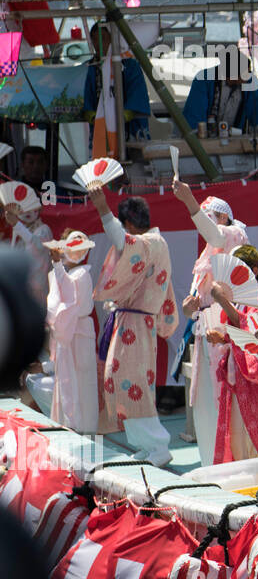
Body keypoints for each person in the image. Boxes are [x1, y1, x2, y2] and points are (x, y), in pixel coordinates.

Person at [87, 186, 180, 466]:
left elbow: (122, 241)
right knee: (124, 380)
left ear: (128, 224)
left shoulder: (152, 243)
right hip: (132, 321)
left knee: (133, 383)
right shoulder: (155, 243)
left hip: (136, 324)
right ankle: (145, 443)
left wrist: (103, 208)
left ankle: (157, 445)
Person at [173, 177, 248, 462]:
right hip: (204, 328)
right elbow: (196, 304)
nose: (203, 223)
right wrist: (189, 309)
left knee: (224, 397)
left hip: (226, 326)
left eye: (210, 217)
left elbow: (215, 235)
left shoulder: (234, 236)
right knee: (205, 399)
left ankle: (228, 461)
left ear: (224, 217)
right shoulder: (207, 252)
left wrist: (190, 202)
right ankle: (210, 458)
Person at [208, 245, 258, 462]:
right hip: (239, 372)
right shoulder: (242, 299)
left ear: (255, 270)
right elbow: (236, 331)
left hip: (257, 372)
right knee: (237, 431)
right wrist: (221, 337)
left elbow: (251, 330)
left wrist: (223, 301)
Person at [44, 230, 97, 434]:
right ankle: (70, 423)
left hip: (77, 329)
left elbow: (68, 296)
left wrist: (57, 264)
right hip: (71, 329)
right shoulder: (74, 273)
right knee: (69, 378)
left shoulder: (81, 274)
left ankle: (80, 426)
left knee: (80, 380)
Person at [82, 23, 151, 142]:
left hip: (130, 130)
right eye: (94, 39)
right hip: (100, 130)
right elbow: (85, 96)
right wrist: (93, 116)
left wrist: (123, 116)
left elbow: (137, 94)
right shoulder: (89, 67)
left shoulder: (130, 65)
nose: (97, 43)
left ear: (113, 39)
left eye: (102, 38)